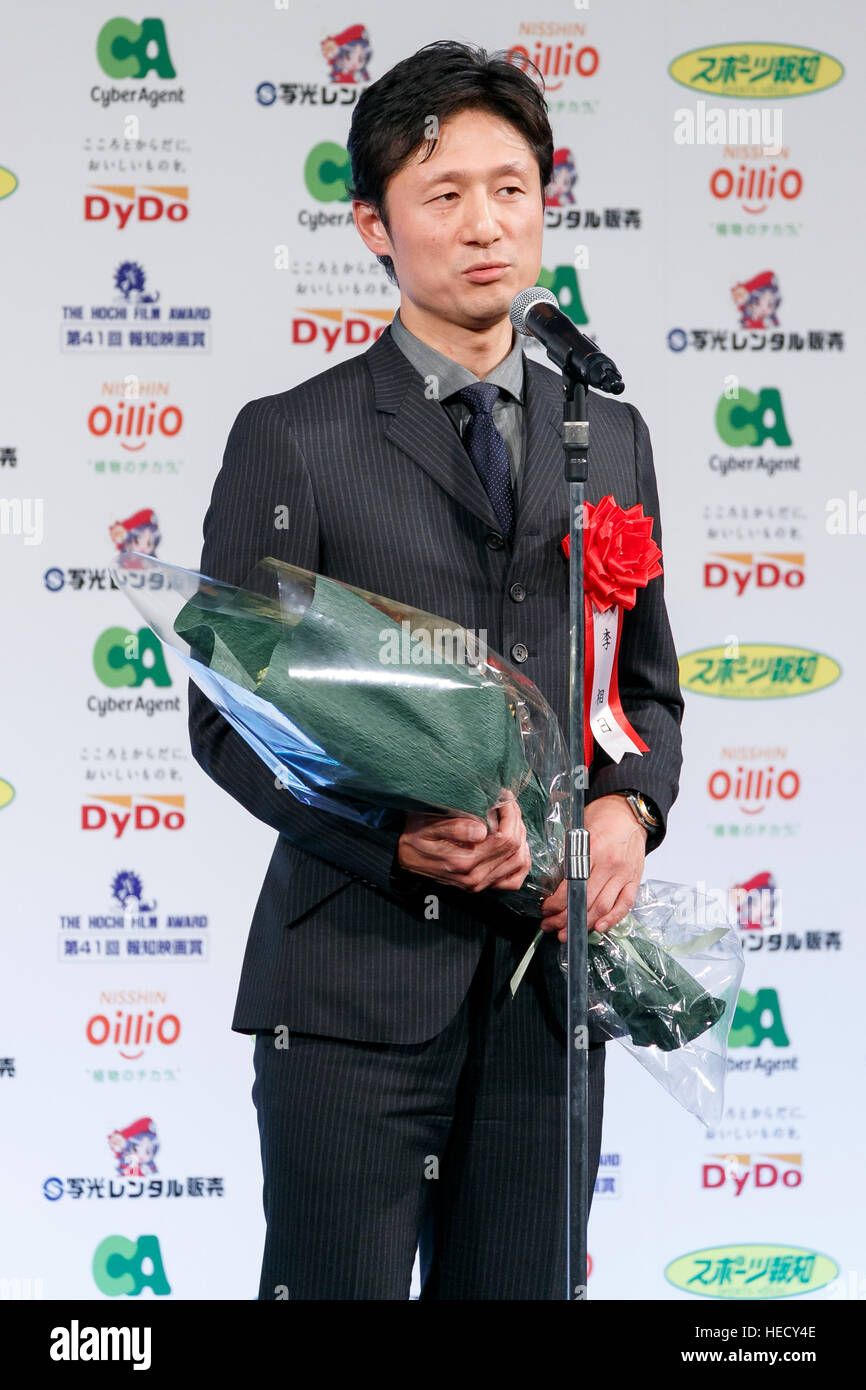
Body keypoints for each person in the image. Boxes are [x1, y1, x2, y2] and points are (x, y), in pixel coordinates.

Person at [188, 40, 684, 1300]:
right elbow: (230, 716)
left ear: (542, 203)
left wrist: (629, 806)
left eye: (509, 188)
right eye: (442, 193)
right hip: (350, 989)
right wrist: (388, 833)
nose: (483, 224)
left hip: (545, 985)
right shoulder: (292, 434)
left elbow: (645, 689)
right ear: (373, 225)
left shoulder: (606, 430)